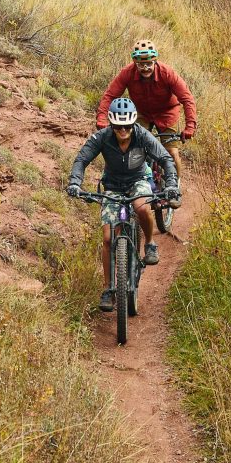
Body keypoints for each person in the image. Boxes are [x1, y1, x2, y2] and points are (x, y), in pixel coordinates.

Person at [67, 95, 179, 312]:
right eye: (118, 126)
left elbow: (165, 158)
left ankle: (149, 244)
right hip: (112, 186)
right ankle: (108, 290)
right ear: (111, 123)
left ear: (133, 122)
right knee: (108, 238)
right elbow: (82, 159)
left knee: (141, 207)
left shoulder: (143, 135)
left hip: (139, 180)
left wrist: (172, 183)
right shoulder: (102, 138)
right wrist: (74, 183)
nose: (123, 130)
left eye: (127, 125)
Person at [96, 39, 198, 160]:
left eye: (149, 63)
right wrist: (101, 118)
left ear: (155, 61)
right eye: (140, 64)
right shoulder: (127, 73)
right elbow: (110, 95)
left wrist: (190, 126)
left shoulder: (167, 73)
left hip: (167, 112)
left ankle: (175, 173)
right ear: (135, 63)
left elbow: (187, 99)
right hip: (142, 112)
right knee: (135, 149)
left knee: (171, 152)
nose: (145, 68)